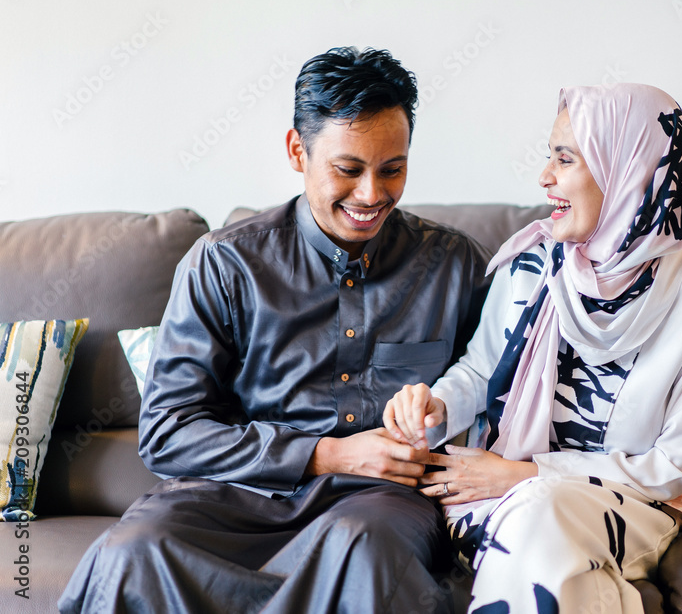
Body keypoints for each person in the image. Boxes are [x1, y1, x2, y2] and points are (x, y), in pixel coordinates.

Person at [58, 47, 491, 613]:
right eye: (348, 169)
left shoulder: (455, 265)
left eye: (392, 169)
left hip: (379, 505)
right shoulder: (224, 264)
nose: (371, 195)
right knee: (132, 551)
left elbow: (503, 397)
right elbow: (167, 432)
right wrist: (330, 456)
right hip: (233, 495)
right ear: (297, 150)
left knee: (363, 551)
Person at [384, 83, 682, 612]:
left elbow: (674, 466)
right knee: (538, 519)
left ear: (628, 170)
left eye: (565, 158)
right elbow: (480, 369)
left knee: (540, 508)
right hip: (495, 489)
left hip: (628, 502)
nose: (544, 177)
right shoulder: (532, 263)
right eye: (549, 156)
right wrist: (435, 405)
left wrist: (527, 474)